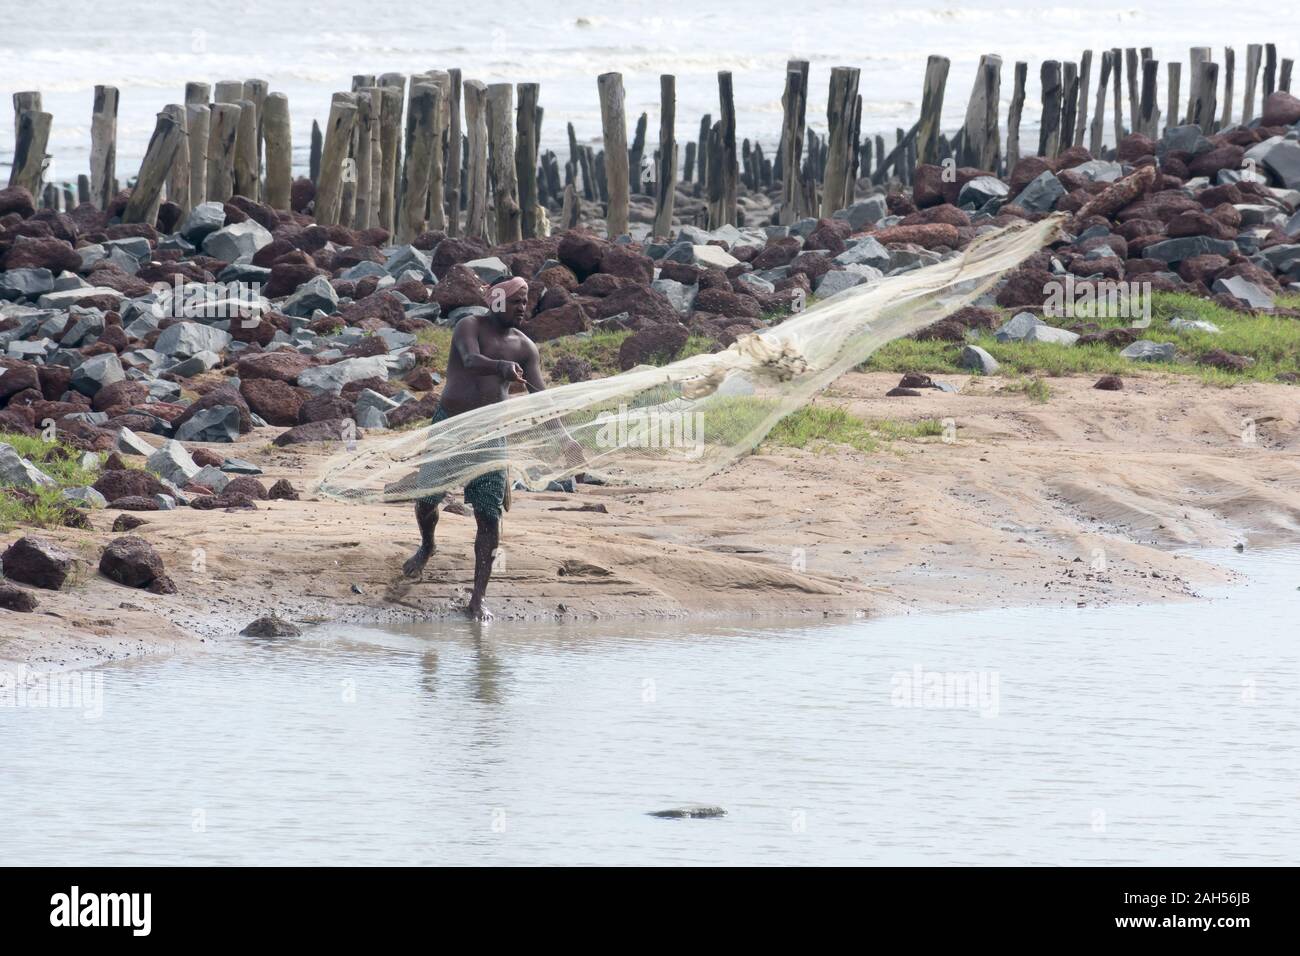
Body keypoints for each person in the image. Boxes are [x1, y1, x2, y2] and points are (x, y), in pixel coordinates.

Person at [402, 275, 582, 621]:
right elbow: (470, 360)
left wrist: (564, 439)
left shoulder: (526, 348)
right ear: (497, 301)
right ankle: (427, 545)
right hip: (451, 426)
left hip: (490, 436)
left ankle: (477, 598)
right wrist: (501, 368)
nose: (523, 308)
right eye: (517, 301)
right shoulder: (469, 326)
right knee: (426, 500)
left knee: (488, 516)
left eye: (526, 301)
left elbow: (540, 400)